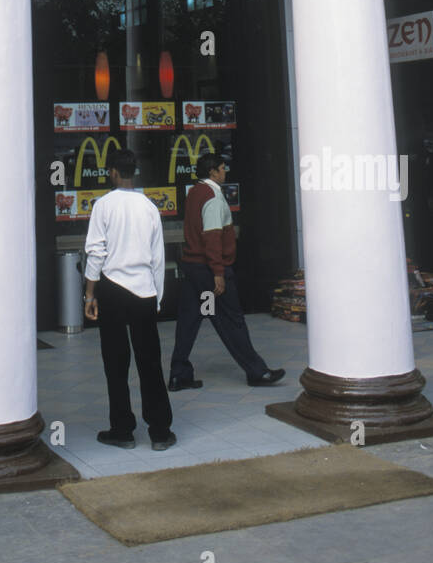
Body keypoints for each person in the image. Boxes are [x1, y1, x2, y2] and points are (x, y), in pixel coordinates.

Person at [84, 148, 175, 451]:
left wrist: (90, 293)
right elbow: (158, 258)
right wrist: (157, 297)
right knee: (150, 362)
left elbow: (96, 251)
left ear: (112, 172)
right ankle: (160, 432)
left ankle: (122, 430)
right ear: (134, 172)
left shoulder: (103, 206)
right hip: (144, 292)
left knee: (116, 362)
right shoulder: (149, 206)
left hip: (112, 289)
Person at [169, 153, 285, 390]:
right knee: (231, 321)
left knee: (190, 321)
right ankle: (257, 371)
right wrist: (218, 273)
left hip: (194, 270)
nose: (225, 172)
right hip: (210, 272)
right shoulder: (212, 196)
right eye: (222, 168)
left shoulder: (194, 192)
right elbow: (212, 237)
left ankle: (178, 374)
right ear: (212, 171)